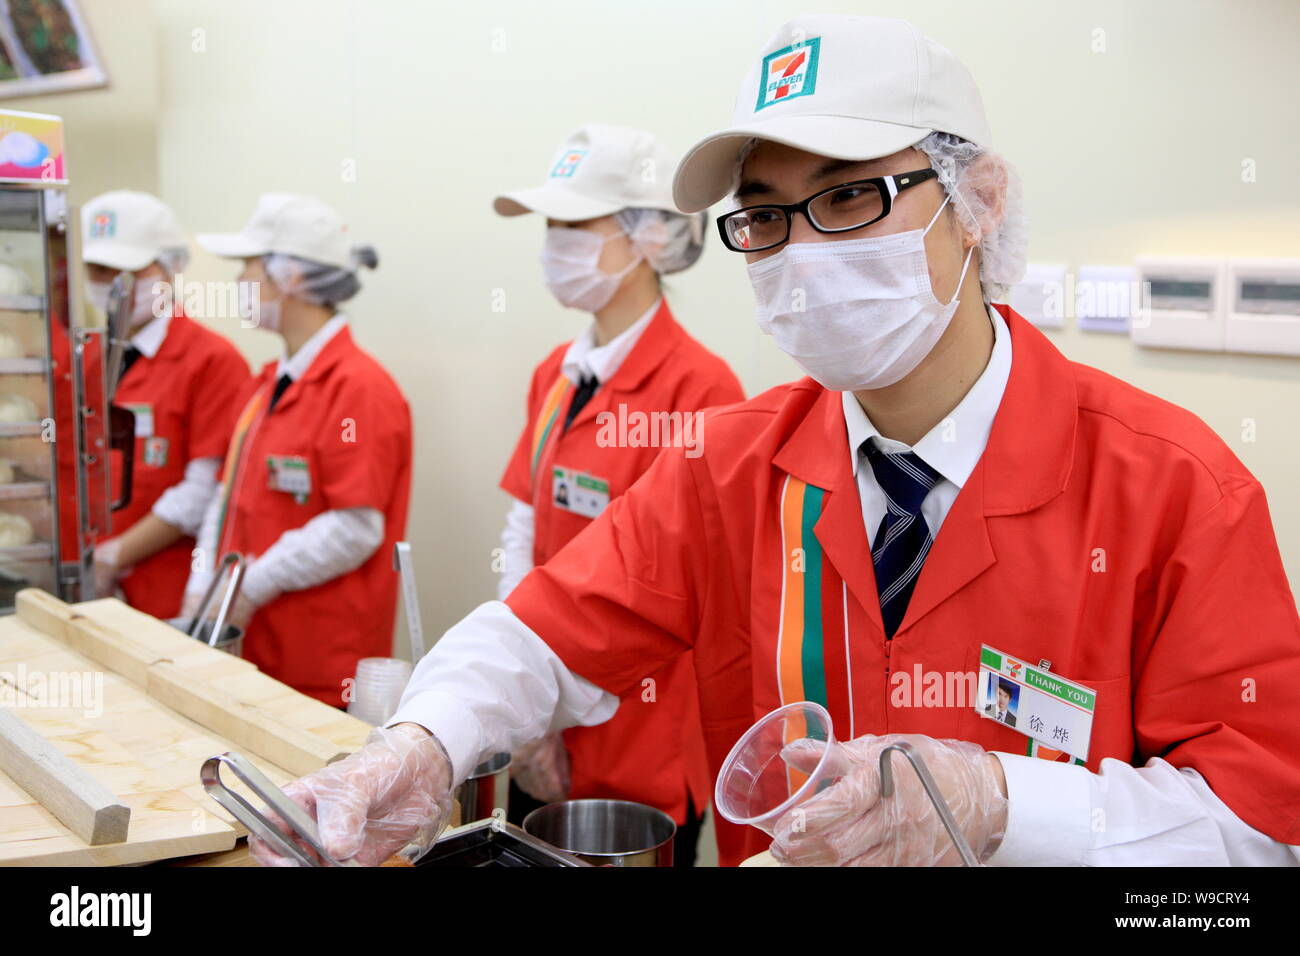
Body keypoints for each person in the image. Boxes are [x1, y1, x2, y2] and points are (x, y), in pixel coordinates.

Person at [250, 15, 1300, 868]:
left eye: (847, 195)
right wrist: (422, 744)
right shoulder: (735, 461)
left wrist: (999, 804)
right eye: (764, 216)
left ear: (978, 200)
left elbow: (1260, 828)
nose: (799, 252)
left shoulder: (1170, 488)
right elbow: (544, 630)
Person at [491, 124, 746, 866]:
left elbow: (669, 587)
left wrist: (540, 707)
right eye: (551, 226)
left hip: (642, 746)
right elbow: (523, 527)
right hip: (541, 714)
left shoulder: (701, 389)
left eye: (574, 224)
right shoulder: (556, 374)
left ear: (649, 239)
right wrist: (522, 700)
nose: (554, 243)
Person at [182, 193, 412, 706]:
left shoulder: (359, 389)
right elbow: (228, 495)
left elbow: (355, 528)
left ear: (292, 278)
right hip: (251, 653)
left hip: (319, 667)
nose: (239, 282)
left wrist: (251, 586)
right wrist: (204, 583)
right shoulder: (267, 384)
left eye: (248, 267)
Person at [81, 191, 251, 619]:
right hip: (83, 583)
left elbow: (206, 489)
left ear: (171, 266)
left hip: (164, 591)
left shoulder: (212, 360)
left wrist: (114, 556)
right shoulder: (84, 358)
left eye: (129, 270)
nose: (113, 283)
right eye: (100, 270)